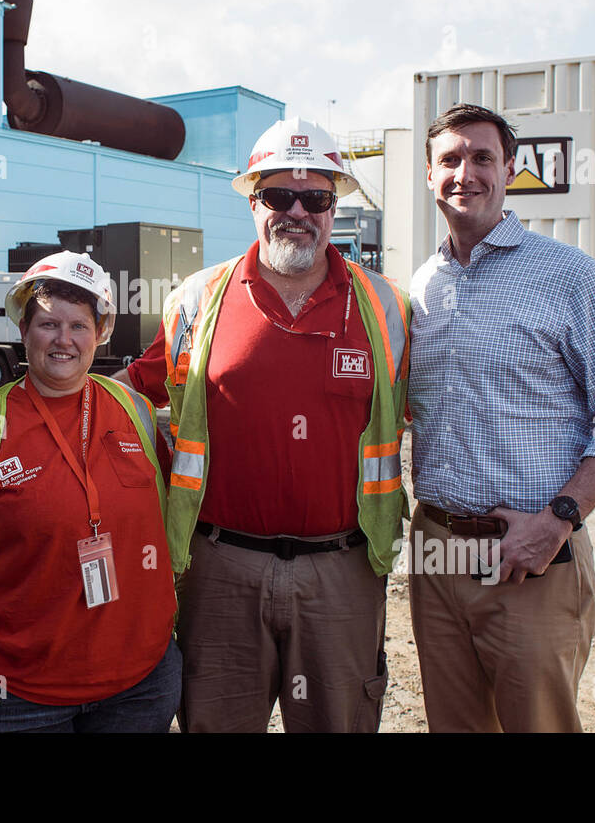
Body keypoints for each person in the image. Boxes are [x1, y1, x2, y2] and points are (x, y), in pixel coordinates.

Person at [115, 116, 410, 733]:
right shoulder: (199, 301)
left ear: (334, 208)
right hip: (221, 570)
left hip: (343, 573)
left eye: (316, 198)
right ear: (253, 202)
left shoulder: (385, 307)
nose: (296, 212)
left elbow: (440, 413)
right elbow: (120, 398)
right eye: (278, 195)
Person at [407, 103, 595, 733]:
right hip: (437, 555)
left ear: (511, 169)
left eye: (483, 157)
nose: (467, 172)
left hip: (533, 560)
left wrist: (556, 523)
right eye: (450, 160)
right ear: (428, 175)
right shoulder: (422, 286)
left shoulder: (566, 274)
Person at [0, 252, 180, 733]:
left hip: (140, 683)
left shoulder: (132, 408)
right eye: (48, 325)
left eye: (79, 326)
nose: (64, 340)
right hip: (16, 695)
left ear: (101, 333)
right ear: (23, 331)